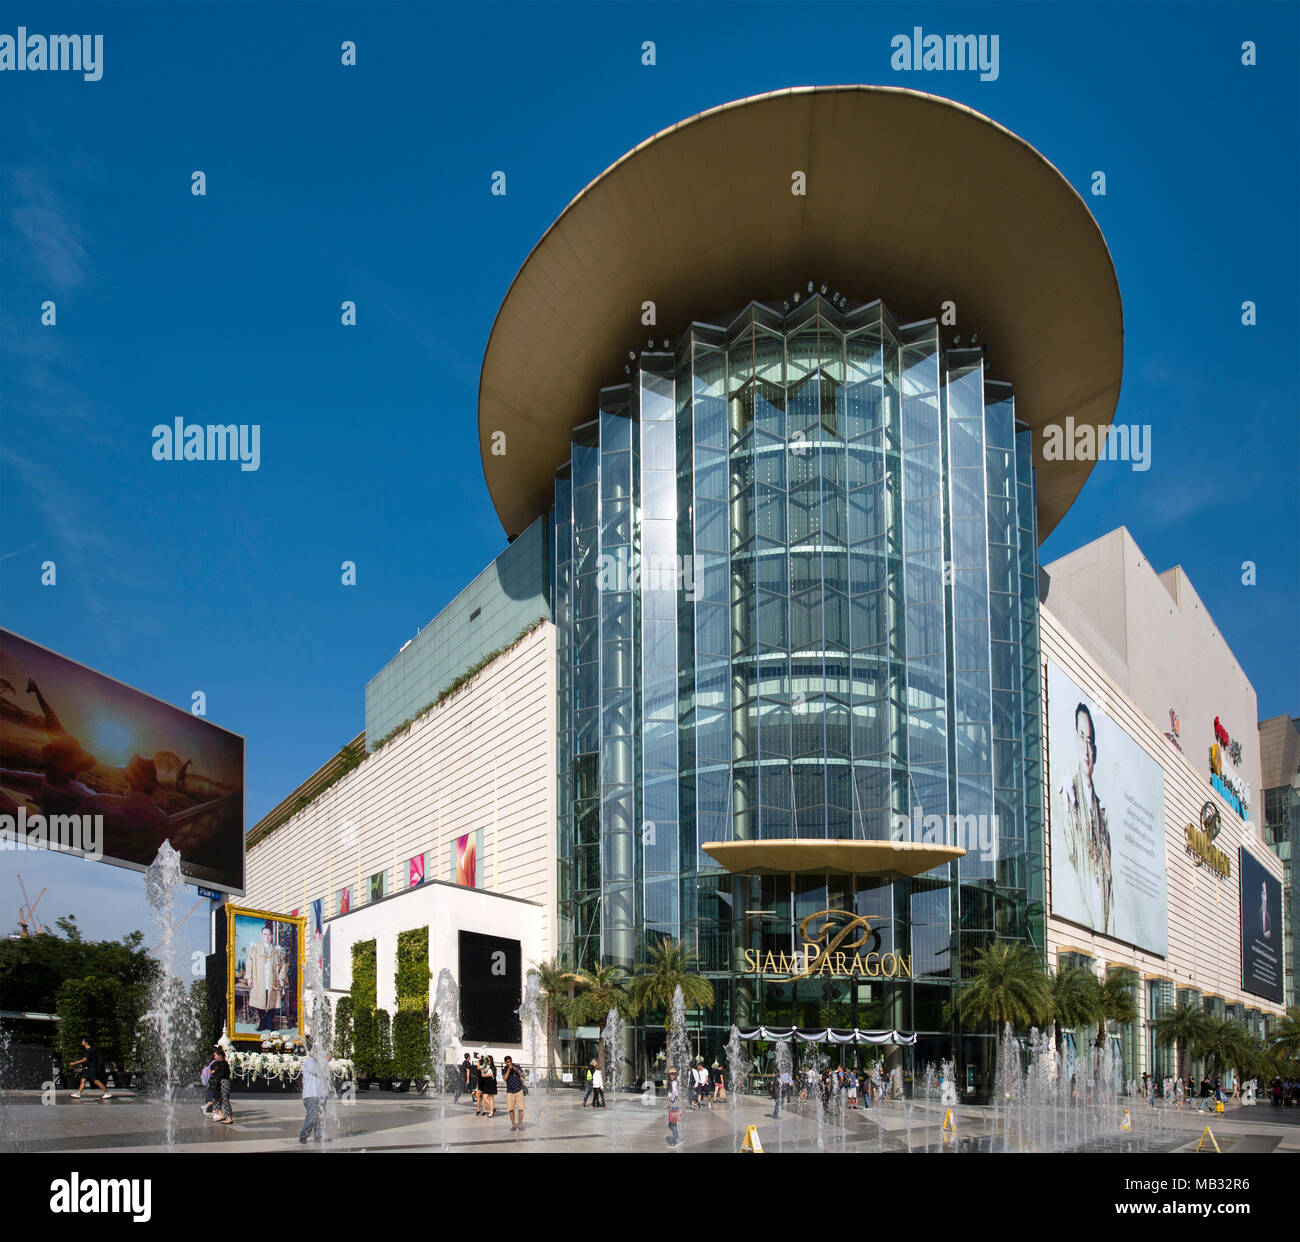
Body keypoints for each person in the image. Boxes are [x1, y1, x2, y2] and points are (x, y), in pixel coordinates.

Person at [1056, 702, 1114, 935]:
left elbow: (1109, 887)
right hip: (1080, 923)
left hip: (1102, 931)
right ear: (1074, 739)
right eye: (1082, 738)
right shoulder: (1068, 796)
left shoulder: (1103, 813)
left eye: (1090, 741)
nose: (1087, 748)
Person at [243, 921, 287, 1032]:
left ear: (272, 936)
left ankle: (269, 1023)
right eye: (265, 934)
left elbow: (283, 965)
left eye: (269, 934)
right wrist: (249, 977)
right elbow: (249, 963)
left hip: (272, 980)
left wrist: (281, 977)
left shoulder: (276, 950)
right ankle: (262, 1023)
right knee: (260, 1000)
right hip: (259, 979)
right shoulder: (255, 948)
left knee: (271, 1001)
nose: (267, 936)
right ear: (261, 935)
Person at [299, 1036, 329, 1144]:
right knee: (312, 1116)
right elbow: (317, 1071)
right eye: (316, 1049)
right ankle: (303, 1135)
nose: (318, 1051)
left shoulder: (318, 1062)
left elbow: (324, 1074)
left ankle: (318, 1137)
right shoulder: (309, 1061)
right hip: (310, 1095)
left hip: (320, 1094)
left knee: (320, 1117)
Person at [210, 1047, 233, 1124]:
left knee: (225, 1099)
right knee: (216, 1098)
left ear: (220, 1056)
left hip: (224, 1082)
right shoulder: (217, 1063)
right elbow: (211, 1069)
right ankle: (220, 1114)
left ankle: (229, 1118)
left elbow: (221, 1073)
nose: (215, 1057)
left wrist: (215, 1072)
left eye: (216, 1055)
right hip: (218, 1083)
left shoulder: (224, 1063)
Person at [503, 1056, 526, 1132]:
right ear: (505, 1063)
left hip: (519, 1089)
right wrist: (509, 1069)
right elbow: (505, 1079)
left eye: (510, 1061)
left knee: (521, 1108)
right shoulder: (505, 1069)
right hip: (510, 1091)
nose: (509, 1063)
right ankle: (513, 1125)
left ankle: (520, 1125)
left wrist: (517, 1071)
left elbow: (523, 1076)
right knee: (511, 1109)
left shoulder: (517, 1066)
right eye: (508, 1062)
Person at [666, 1067, 683, 1147]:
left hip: (674, 1104)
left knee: (671, 1124)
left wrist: (671, 1100)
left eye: (673, 1074)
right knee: (673, 1124)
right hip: (673, 1104)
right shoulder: (672, 1082)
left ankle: (676, 1140)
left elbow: (675, 1093)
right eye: (671, 1074)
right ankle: (678, 1138)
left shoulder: (674, 1082)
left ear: (675, 1075)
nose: (672, 1075)